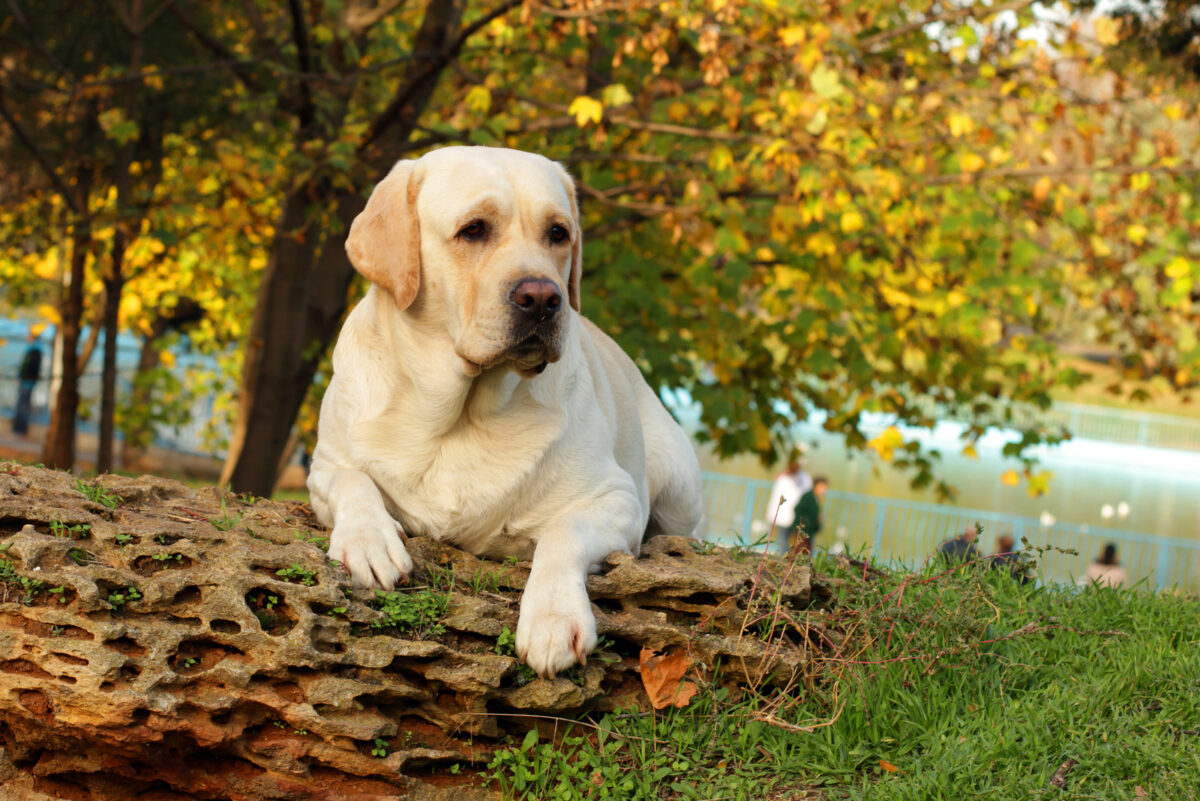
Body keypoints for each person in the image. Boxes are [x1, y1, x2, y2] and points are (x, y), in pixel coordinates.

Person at [763, 460, 812, 550]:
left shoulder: (804, 478)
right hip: (782, 516)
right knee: (783, 541)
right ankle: (783, 559)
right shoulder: (783, 477)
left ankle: (787, 559)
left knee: (795, 542)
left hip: (796, 516)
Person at [11, 331, 42, 436]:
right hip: (27, 381)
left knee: (23, 405)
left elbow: (30, 368)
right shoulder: (34, 349)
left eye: (29, 335)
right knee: (23, 404)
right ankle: (19, 428)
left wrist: (22, 377)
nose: (27, 337)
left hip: (27, 382)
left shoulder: (34, 350)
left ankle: (19, 429)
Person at [794, 476, 828, 554]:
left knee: (807, 552)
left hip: (809, 532)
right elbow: (798, 510)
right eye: (822, 486)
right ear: (816, 485)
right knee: (800, 551)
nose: (824, 489)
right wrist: (806, 523)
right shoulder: (808, 496)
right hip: (803, 531)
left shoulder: (816, 498)